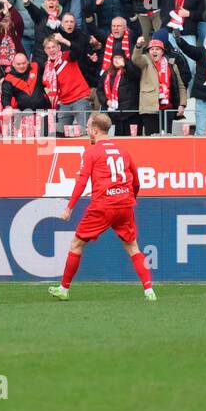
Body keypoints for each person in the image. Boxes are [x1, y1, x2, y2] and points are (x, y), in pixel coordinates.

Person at [49, 113, 155, 302]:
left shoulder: (91, 152)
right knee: (133, 247)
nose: (87, 131)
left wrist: (69, 207)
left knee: (76, 244)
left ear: (96, 130)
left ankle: (64, 289)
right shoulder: (123, 152)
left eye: (88, 127)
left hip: (103, 205)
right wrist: (130, 199)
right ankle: (149, 290)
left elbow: (82, 181)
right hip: (125, 204)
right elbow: (136, 181)